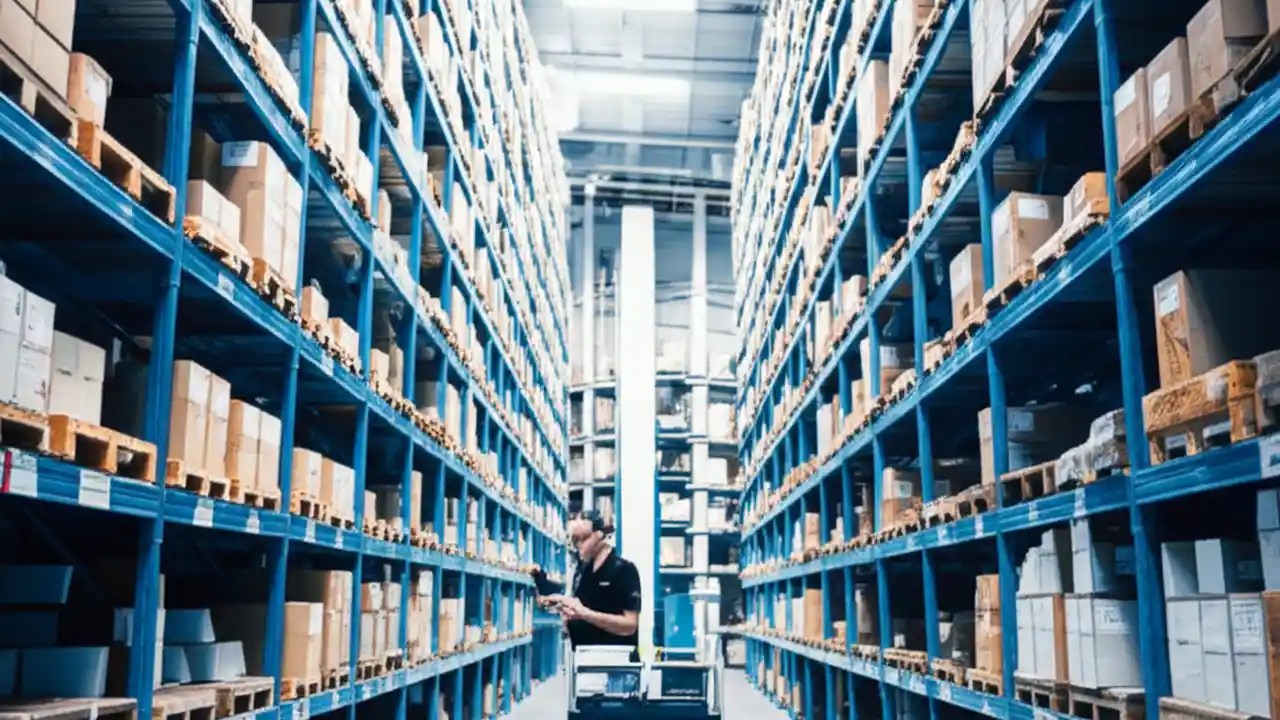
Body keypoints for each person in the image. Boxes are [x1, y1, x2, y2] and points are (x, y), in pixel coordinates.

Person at [540, 511, 642, 656]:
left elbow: (630, 625)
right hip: (584, 660)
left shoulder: (624, 570)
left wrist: (584, 613)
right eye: (575, 540)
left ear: (599, 535)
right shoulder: (582, 571)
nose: (579, 546)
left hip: (616, 663)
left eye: (583, 539)